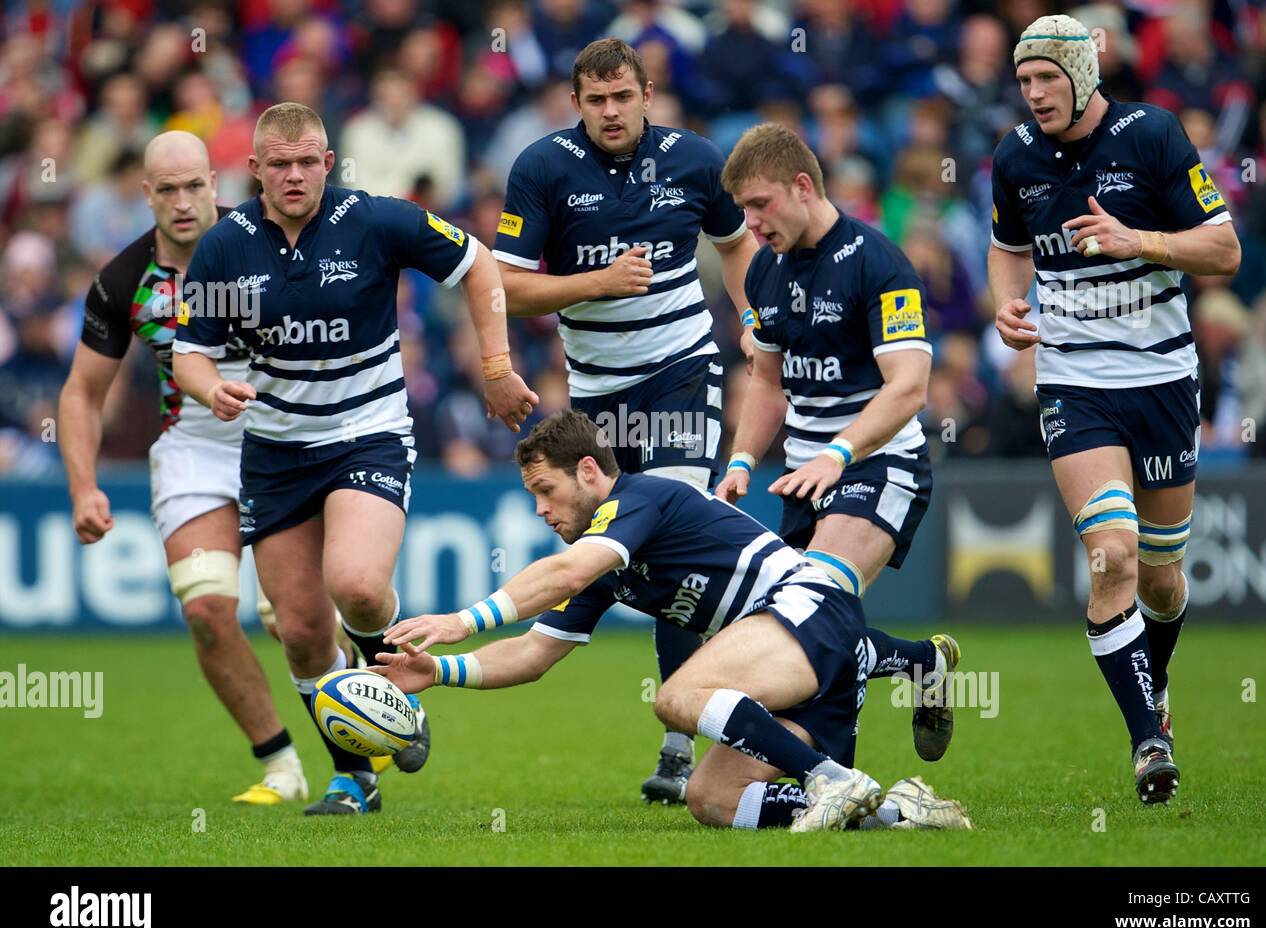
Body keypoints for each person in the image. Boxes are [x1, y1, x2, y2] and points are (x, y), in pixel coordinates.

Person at [173, 102, 537, 815]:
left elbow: (479, 264)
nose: (295, 175)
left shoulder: (374, 219)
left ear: (329, 163)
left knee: (359, 589)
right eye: (278, 164)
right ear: (254, 171)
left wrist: (495, 364)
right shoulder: (226, 244)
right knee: (304, 632)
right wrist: (211, 385)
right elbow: (188, 352)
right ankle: (355, 775)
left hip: (368, 435)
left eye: (308, 161)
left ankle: (393, 689)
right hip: (276, 453)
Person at [372, 409, 971, 833]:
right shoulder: (598, 559)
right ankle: (899, 809)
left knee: (678, 695)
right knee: (711, 800)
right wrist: (439, 670)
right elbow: (532, 653)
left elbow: (562, 574)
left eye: (545, 491)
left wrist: (463, 619)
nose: (540, 510)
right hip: (796, 662)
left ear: (587, 471)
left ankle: (829, 778)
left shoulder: (637, 500)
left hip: (810, 608)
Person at [492, 38, 760, 803]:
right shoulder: (543, 167)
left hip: (682, 377)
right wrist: (600, 282)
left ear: (648, 93)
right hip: (595, 398)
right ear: (576, 103)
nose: (611, 112)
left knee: (667, 543)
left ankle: (679, 742)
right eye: (595, 100)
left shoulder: (695, 158)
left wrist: (751, 318)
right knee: (623, 558)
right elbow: (507, 286)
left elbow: (737, 242)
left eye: (623, 97)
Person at [987, 16, 1241, 803]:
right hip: (1074, 386)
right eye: (1024, 82)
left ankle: (1150, 691)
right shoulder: (1013, 156)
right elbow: (1007, 246)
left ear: (1083, 76)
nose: (1034, 96)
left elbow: (1224, 252)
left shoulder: (1154, 134)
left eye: (1047, 80)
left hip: (1163, 383)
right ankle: (1147, 743)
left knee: (1161, 581)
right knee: (1115, 557)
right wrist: (1005, 304)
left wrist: (1140, 240)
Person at [57, 131, 312, 805]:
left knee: (297, 618)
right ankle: (282, 767)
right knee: (205, 609)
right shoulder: (121, 282)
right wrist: (83, 488)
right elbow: (82, 393)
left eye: (194, 185)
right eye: (166, 190)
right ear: (146, 195)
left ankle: (367, 709)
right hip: (193, 446)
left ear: (216, 183)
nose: (181, 202)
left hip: (282, 436)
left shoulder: (269, 240)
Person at [713, 122, 957, 761]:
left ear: (802, 186)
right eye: (742, 210)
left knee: (814, 605)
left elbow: (908, 387)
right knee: (806, 627)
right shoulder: (765, 272)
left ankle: (834, 778)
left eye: (760, 204)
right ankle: (921, 662)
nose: (752, 222)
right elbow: (766, 382)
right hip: (804, 476)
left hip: (880, 466)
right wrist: (741, 460)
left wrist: (838, 452)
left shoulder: (877, 260)